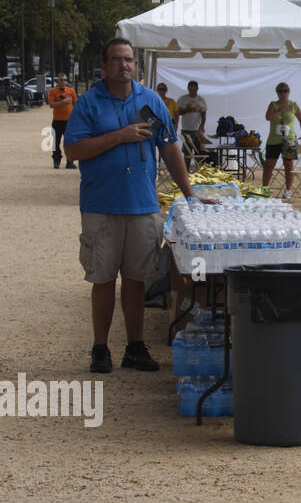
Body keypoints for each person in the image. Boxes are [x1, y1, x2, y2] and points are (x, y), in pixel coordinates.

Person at [63, 38, 209, 373]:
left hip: (142, 207)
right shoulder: (88, 103)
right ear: (104, 66)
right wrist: (119, 136)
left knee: (136, 280)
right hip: (101, 206)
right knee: (102, 279)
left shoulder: (152, 100)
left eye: (128, 60)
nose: (123, 65)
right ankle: (100, 348)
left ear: (136, 65)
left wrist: (188, 192)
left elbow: (171, 149)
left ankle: (135, 347)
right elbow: (73, 151)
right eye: (116, 59)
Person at [262, 82, 301, 200]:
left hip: (289, 140)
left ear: (289, 92)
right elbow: (268, 117)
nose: (283, 93)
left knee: (289, 167)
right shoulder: (273, 104)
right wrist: (281, 110)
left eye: (285, 91)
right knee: (269, 165)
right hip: (274, 140)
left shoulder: (293, 105)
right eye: (281, 91)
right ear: (277, 93)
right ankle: (265, 189)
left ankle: (288, 190)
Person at [47, 73, 78, 168]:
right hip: (57, 120)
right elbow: (51, 104)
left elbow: (75, 104)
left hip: (69, 121)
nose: (63, 82)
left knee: (70, 142)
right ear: (57, 81)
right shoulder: (53, 91)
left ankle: (70, 162)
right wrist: (63, 102)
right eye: (61, 80)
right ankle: (56, 160)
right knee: (55, 142)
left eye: (65, 80)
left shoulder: (71, 91)